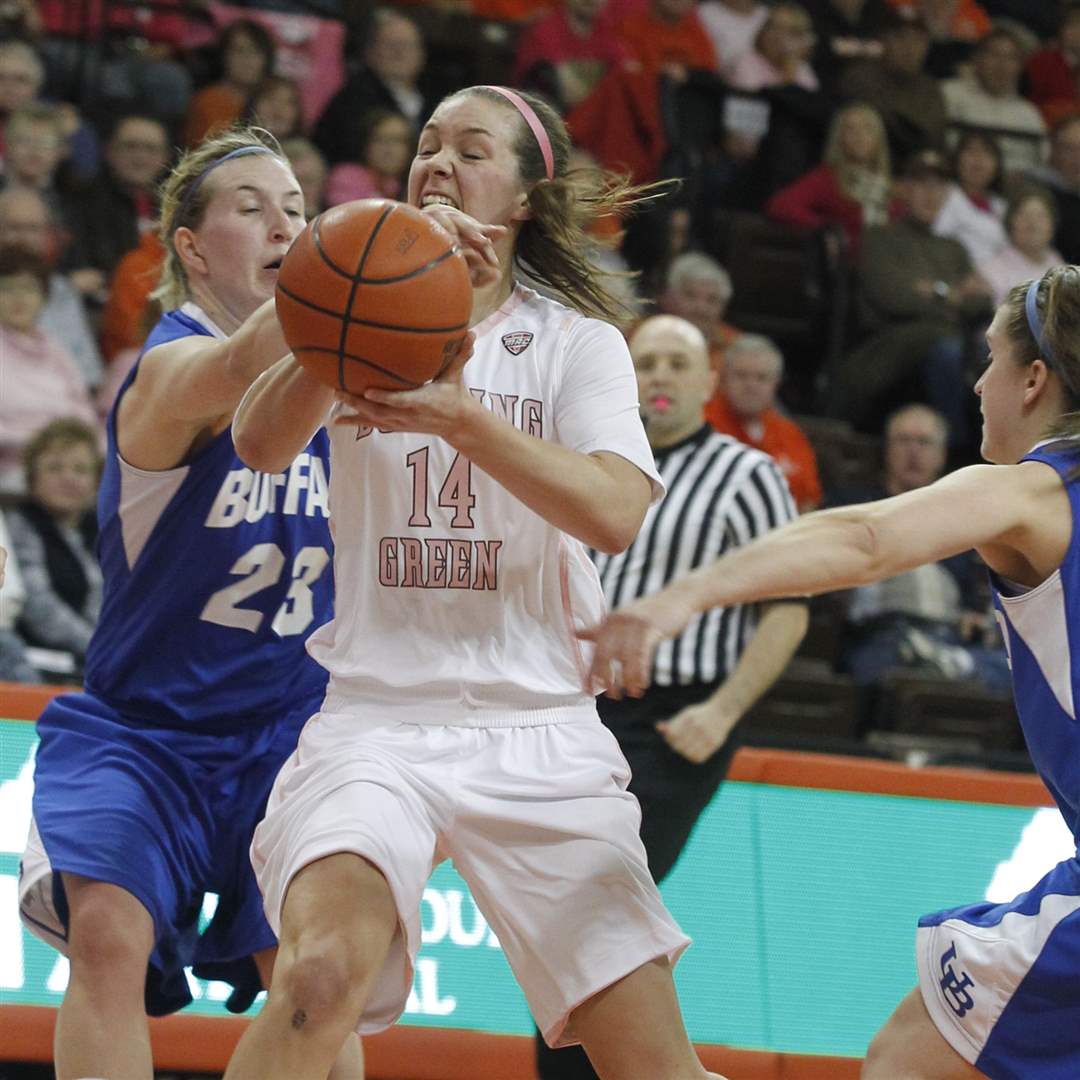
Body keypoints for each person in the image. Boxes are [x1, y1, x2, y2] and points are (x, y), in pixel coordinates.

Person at [222, 85, 727, 1080]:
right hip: (377, 720)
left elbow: (616, 512)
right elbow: (258, 442)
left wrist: (465, 417)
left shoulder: (577, 343)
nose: (440, 162)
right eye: (426, 144)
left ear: (528, 199)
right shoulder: (346, 305)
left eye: (471, 148)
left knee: (654, 1067)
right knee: (317, 979)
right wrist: (344, 332)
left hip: (537, 723)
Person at [583, 262, 1080, 1079]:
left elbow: (863, 540)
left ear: (1033, 379)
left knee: (905, 1063)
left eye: (990, 361)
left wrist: (679, 600)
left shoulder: (1035, 495)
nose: (980, 384)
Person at [16, 126, 360, 1080]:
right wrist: (343, 271)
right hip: (147, 731)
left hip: (291, 731)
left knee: (318, 975)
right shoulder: (164, 373)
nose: (285, 223)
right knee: (110, 937)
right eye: (253, 209)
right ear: (192, 248)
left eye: (298, 208)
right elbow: (234, 373)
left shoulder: (349, 385)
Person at [536, 314, 807, 1080]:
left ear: (708, 382)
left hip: (677, 719)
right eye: (644, 361)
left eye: (675, 363)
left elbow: (788, 607)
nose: (658, 375)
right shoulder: (591, 467)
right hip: (578, 715)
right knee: (568, 917)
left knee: (593, 905)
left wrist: (723, 712)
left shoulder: (747, 474)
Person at [828, 403, 1010, 700]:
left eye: (924, 442)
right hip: (880, 631)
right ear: (886, 448)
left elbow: (968, 595)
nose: (914, 452)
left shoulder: (963, 517)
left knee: (1011, 672)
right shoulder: (853, 504)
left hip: (946, 634)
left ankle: (945, 660)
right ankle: (942, 661)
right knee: (878, 669)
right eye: (904, 441)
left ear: (941, 455)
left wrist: (970, 616)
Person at [6, 417, 103, 680]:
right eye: (55, 468)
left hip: (98, 659)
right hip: (37, 661)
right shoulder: (18, 526)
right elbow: (38, 607)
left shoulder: (104, 528)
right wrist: (102, 647)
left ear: (97, 481)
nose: (68, 478)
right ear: (32, 477)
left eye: (81, 470)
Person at [0, 244, 97, 492]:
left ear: (44, 298)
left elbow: (85, 415)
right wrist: (42, 444)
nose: (19, 298)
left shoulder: (56, 351)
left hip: (66, 471)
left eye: (29, 288)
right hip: (10, 477)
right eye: (7, 288)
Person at [706, 333, 822, 510]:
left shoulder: (790, 434)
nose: (751, 385)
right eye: (741, 375)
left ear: (776, 383)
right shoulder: (702, 425)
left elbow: (808, 501)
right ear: (723, 379)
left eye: (761, 377)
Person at [976, 184, 1064, 309]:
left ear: (1052, 224)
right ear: (1010, 222)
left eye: (1040, 216)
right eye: (1024, 215)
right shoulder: (988, 271)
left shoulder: (1058, 263)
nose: (1033, 224)